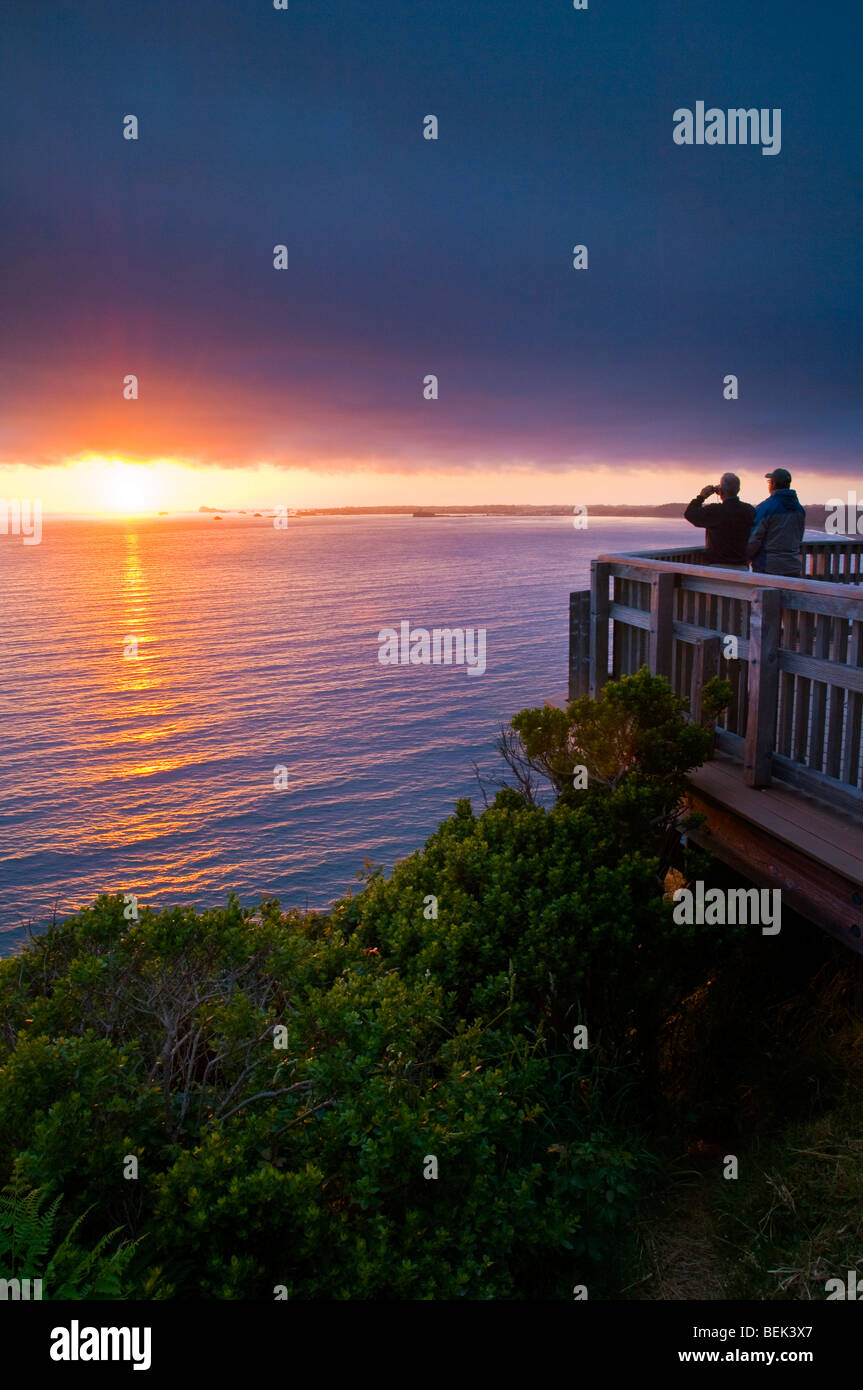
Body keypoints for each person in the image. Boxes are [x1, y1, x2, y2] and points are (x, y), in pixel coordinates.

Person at [683, 472, 754, 566]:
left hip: (718, 568)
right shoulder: (749, 510)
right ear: (738, 490)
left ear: (721, 491)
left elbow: (690, 514)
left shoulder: (715, 510)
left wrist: (701, 497)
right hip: (742, 568)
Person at [746, 468, 806, 576]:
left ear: (773, 484)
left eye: (769, 482)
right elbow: (799, 537)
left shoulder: (766, 507)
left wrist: (746, 557)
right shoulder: (799, 509)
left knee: (766, 593)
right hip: (793, 566)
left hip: (768, 566)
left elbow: (754, 539)